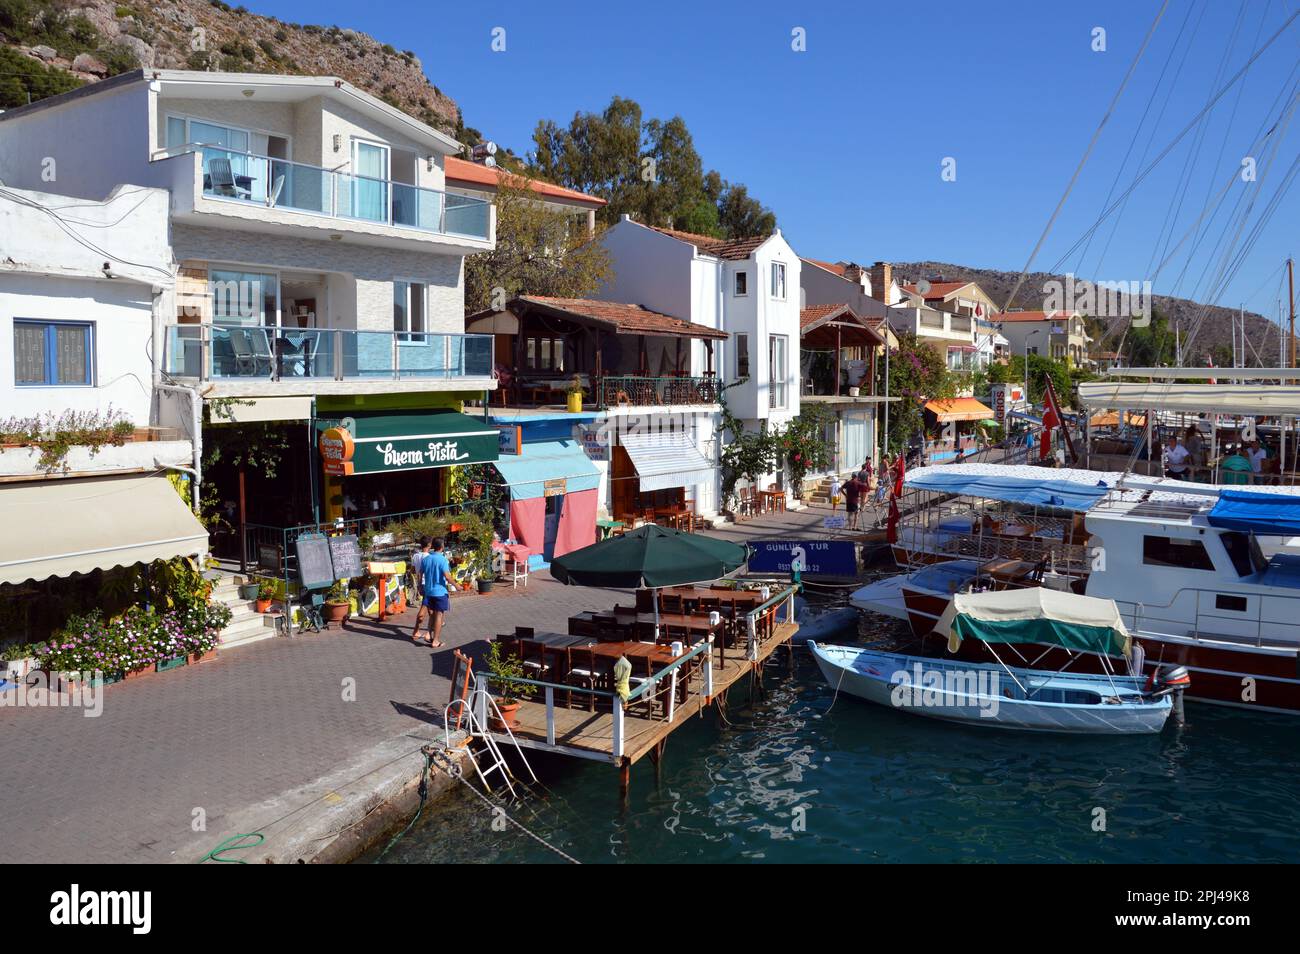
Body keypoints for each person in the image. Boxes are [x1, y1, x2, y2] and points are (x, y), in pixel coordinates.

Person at [417, 537, 452, 649]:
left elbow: (420, 573)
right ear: (442, 547)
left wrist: (419, 586)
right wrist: (457, 585)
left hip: (428, 591)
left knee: (432, 614)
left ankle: (429, 634)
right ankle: (435, 641)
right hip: (440, 592)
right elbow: (447, 576)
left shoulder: (426, 559)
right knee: (439, 616)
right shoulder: (442, 559)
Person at [408, 536, 432, 644]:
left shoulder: (415, 556)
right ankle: (420, 631)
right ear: (429, 545)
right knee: (425, 608)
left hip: (420, 584)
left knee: (430, 608)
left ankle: (425, 630)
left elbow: (412, 570)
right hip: (428, 584)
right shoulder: (429, 557)